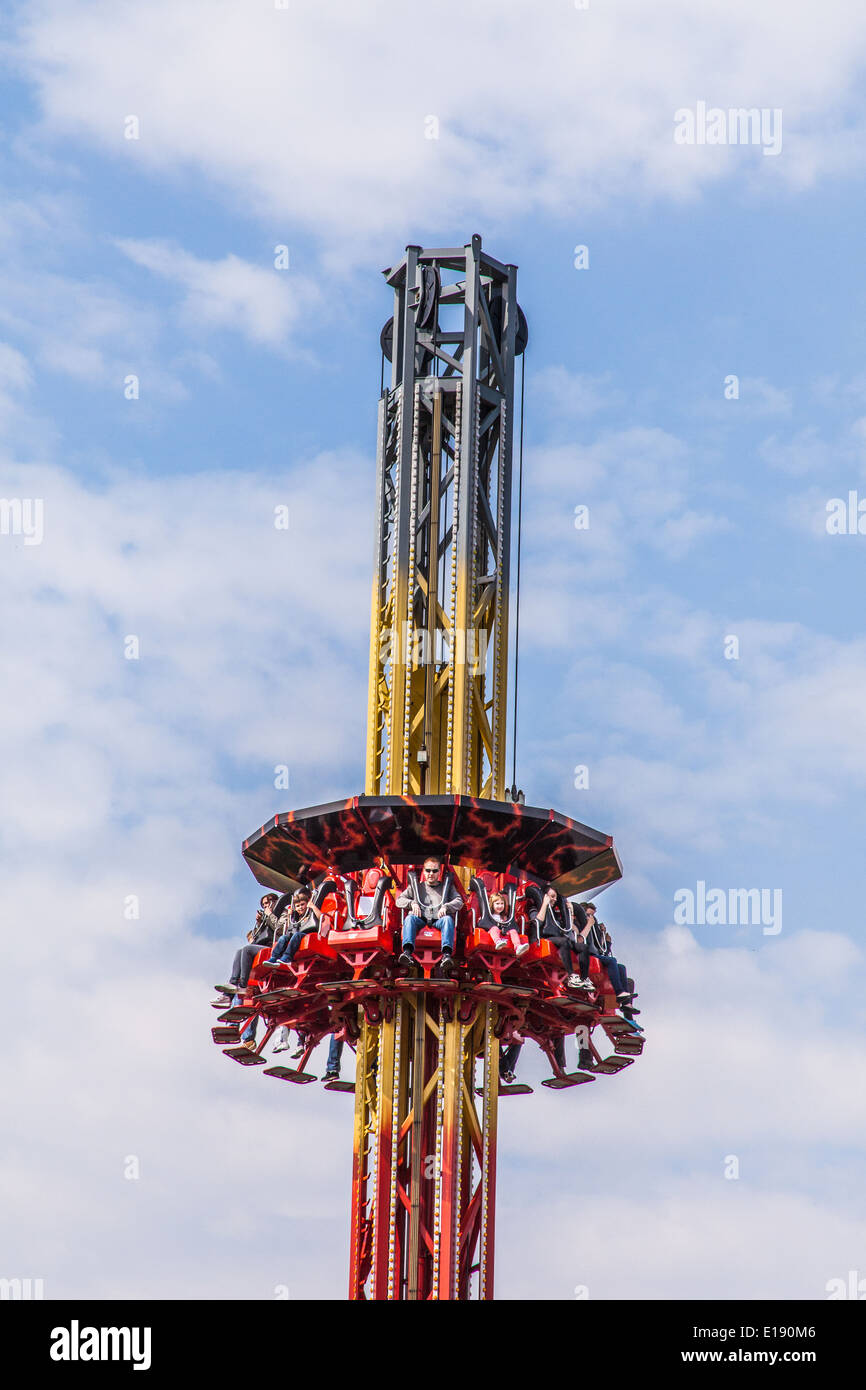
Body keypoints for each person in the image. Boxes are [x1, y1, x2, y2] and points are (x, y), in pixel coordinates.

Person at [210, 894, 286, 1005]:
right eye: (263, 905)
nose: (265, 906)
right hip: (262, 946)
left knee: (247, 949)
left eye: (267, 903)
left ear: (275, 901)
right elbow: (256, 937)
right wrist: (259, 922)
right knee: (239, 951)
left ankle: (242, 985)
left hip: (275, 948)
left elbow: (281, 929)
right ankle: (229, 992)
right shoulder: (265, 918)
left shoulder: (283, 913)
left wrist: (270, 915)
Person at [396, 857, 462, 973]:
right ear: (424, 871)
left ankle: (446, 955)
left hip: (439, 920)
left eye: (434, 871)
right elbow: (399, 901)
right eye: (428, 870)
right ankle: (407, 952)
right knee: (409, 918)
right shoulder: (416, 887)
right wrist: (412, 903)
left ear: (439, 872)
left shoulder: (446, 888)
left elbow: (459, 901)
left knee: (448, 919)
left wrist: (446, 907)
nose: (431, 873)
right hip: (420, 919)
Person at [530, 886, 593, 990]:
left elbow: (567, 928)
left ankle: (584, 978)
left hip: (558, 939)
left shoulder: (555, 914)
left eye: (555, 897)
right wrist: (545, 904)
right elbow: (538, 922)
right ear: (545, 896)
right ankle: (571, 975)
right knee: (564, 942)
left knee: (583, 947)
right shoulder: (535, 908)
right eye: (552, 896)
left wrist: (570, 913)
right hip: (543, 938)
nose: (555, 899)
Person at [573, 902, 634, 1007]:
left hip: (594, 954)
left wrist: (603, 937)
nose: (591, 918)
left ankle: (626, 1003)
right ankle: (619, 992)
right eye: (588, 915)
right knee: (612, 960)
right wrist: (589, 925)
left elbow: (599, 949)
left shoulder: (592, 928)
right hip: (584, 955)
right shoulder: (578, 924)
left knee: (621, 967)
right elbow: (579, 941)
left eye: (592, 916)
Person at [267, 887, 326, 968]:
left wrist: (313, 906)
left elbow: (322, 918)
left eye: (302, 904)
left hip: (307, 934)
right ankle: (274, 958)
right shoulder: (296, 917)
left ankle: (287, 957)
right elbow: (289, 928)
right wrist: (289, 915)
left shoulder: (311, 913)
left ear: (307, 904)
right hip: (296, 935)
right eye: (298, 906)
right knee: (283, 938)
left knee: (297, 935)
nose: (300, 907)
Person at [486, 890, 530, 957]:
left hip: (503, 933)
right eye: (497, 904)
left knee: (513, 931)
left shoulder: (504, 917)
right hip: (493, 932)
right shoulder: (490, 915)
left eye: (502, 904)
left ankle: (518, 947)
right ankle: (498, 942)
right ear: (492, 904)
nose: (500, 906)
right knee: (494, 928)